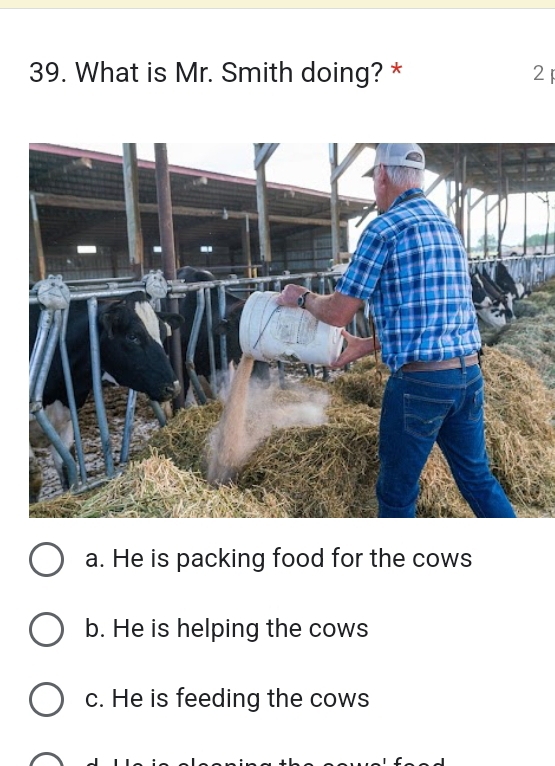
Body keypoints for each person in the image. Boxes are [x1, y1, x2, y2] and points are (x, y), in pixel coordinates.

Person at [277, 143, 516, 519]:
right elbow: (432, 318)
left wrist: (302, 297)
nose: (375, 185)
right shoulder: (447, 228)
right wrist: (367, 345)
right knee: (477, 478)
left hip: (421, 386)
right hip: (468, 375)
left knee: (396, 493)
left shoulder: (384, 229)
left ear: (383, 176)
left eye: (374, 177)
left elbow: (339, 313)